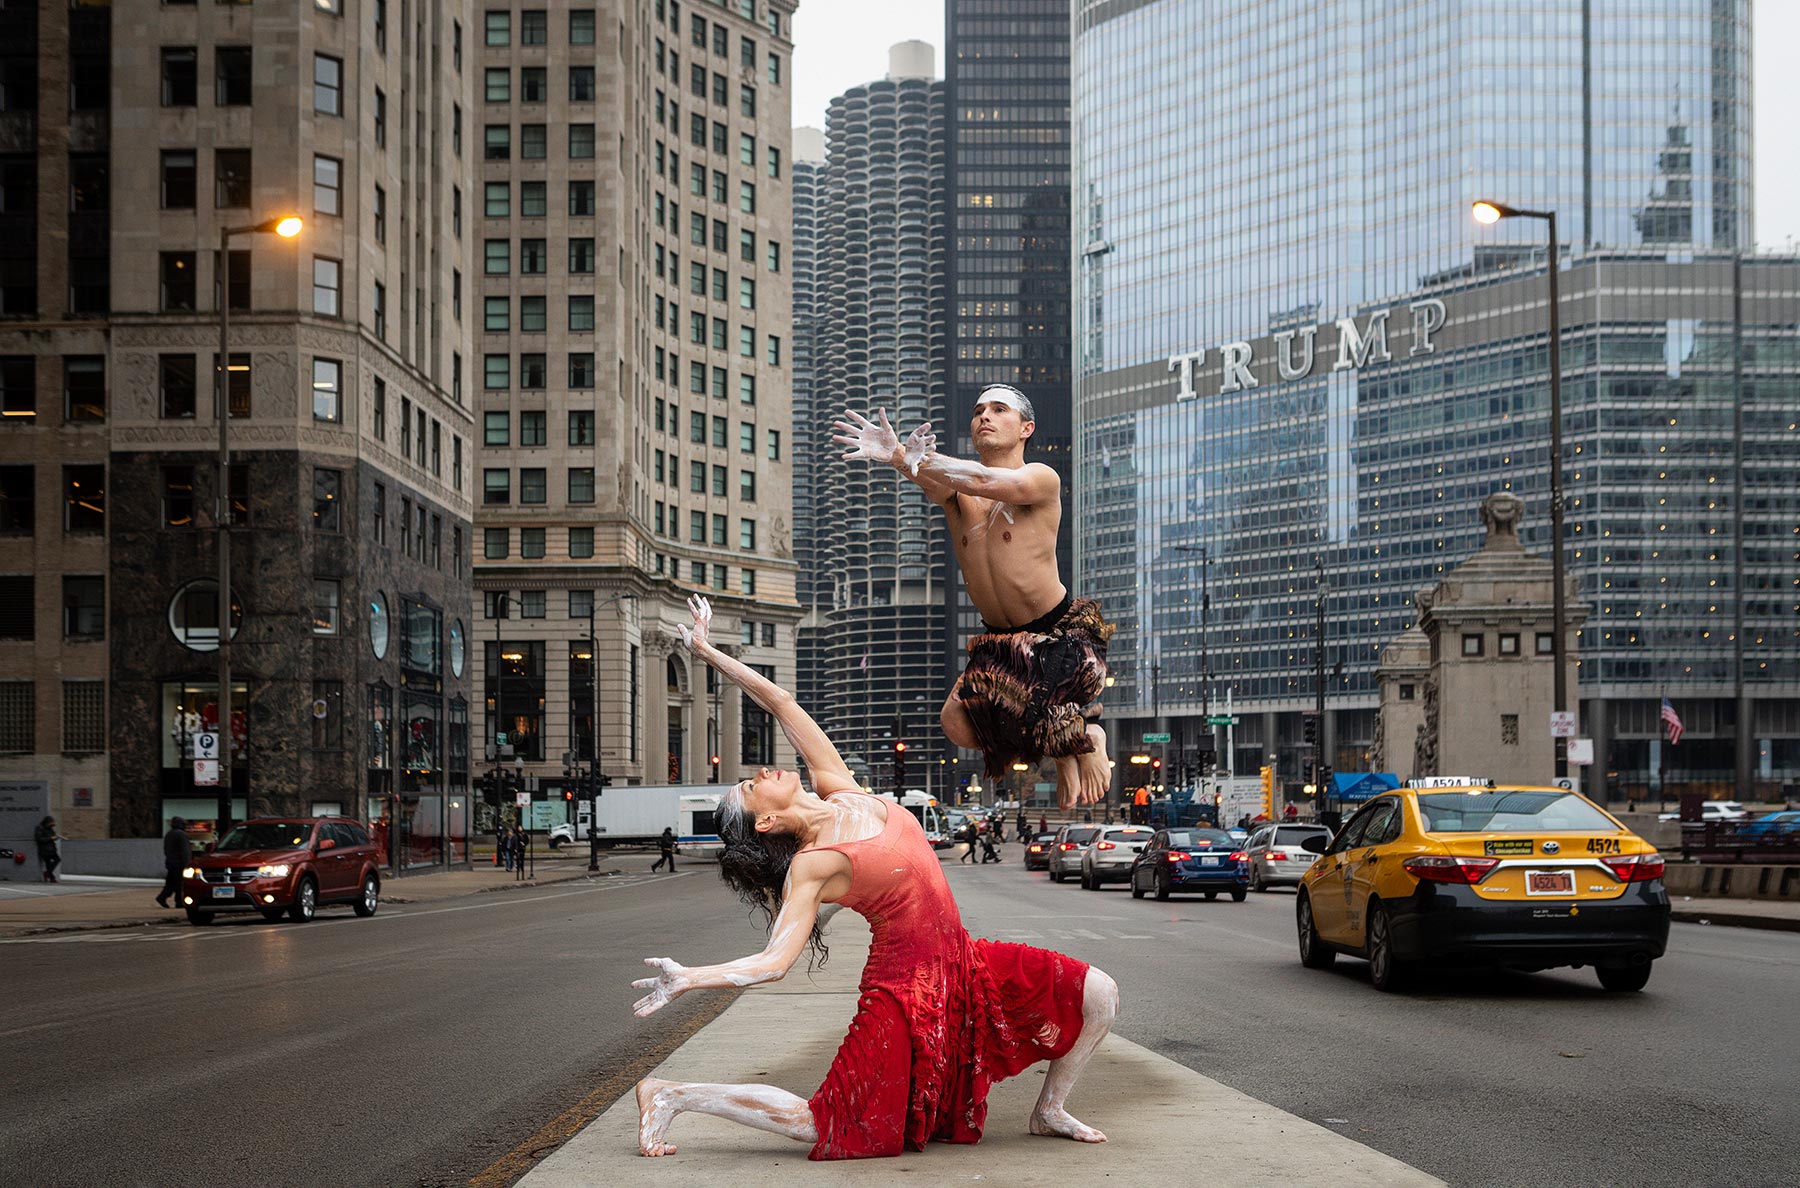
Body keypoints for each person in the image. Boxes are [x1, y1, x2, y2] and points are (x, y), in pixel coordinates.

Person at [633, 597, 1117, 1159]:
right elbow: (772, 963)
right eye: (748, 786)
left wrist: (706, 650)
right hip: (902, 992)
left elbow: (781, 701)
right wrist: (689, 977)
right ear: (764, 821)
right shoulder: (814, 863)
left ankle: (1050, 1109)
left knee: (1099, 994)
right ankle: (671, 1095)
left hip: (964, 965)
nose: (759, 773)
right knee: (830, 1122)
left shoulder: (841, 789)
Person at [834, 394, 1113, 811]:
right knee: (956, 723)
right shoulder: (956, 494)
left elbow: (983, 480)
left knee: (1031, 702)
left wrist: (917, 458)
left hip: (1058, 636)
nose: (984, 416)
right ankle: (1065, 744)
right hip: (997, 641)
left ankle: (1086, 737)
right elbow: (937, 478)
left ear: (1025, 429)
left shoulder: (1040, 478)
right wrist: (895, 456)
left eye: (999, 410)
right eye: (978, 410)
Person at [157, 817, 191, 908]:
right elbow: (185, 852)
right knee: (180, 884)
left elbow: (166, 850)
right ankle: (179, 901)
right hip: (179, 864)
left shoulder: (169, 834)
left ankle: (163, 897)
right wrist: (187, 864)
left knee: (171, 883)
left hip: (171, 862)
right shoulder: (182, 835)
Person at [34, 816, 63, 883]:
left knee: (56, 860)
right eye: (50, 823)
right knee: (49, 863)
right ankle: (51, 877)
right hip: (44, 849)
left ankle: (48, 874)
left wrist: (55, 837)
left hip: (51, 848)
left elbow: (52, 835)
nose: (51, 825)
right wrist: (51, 838)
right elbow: (39, 839)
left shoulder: (50, 828)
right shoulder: (40, 828)